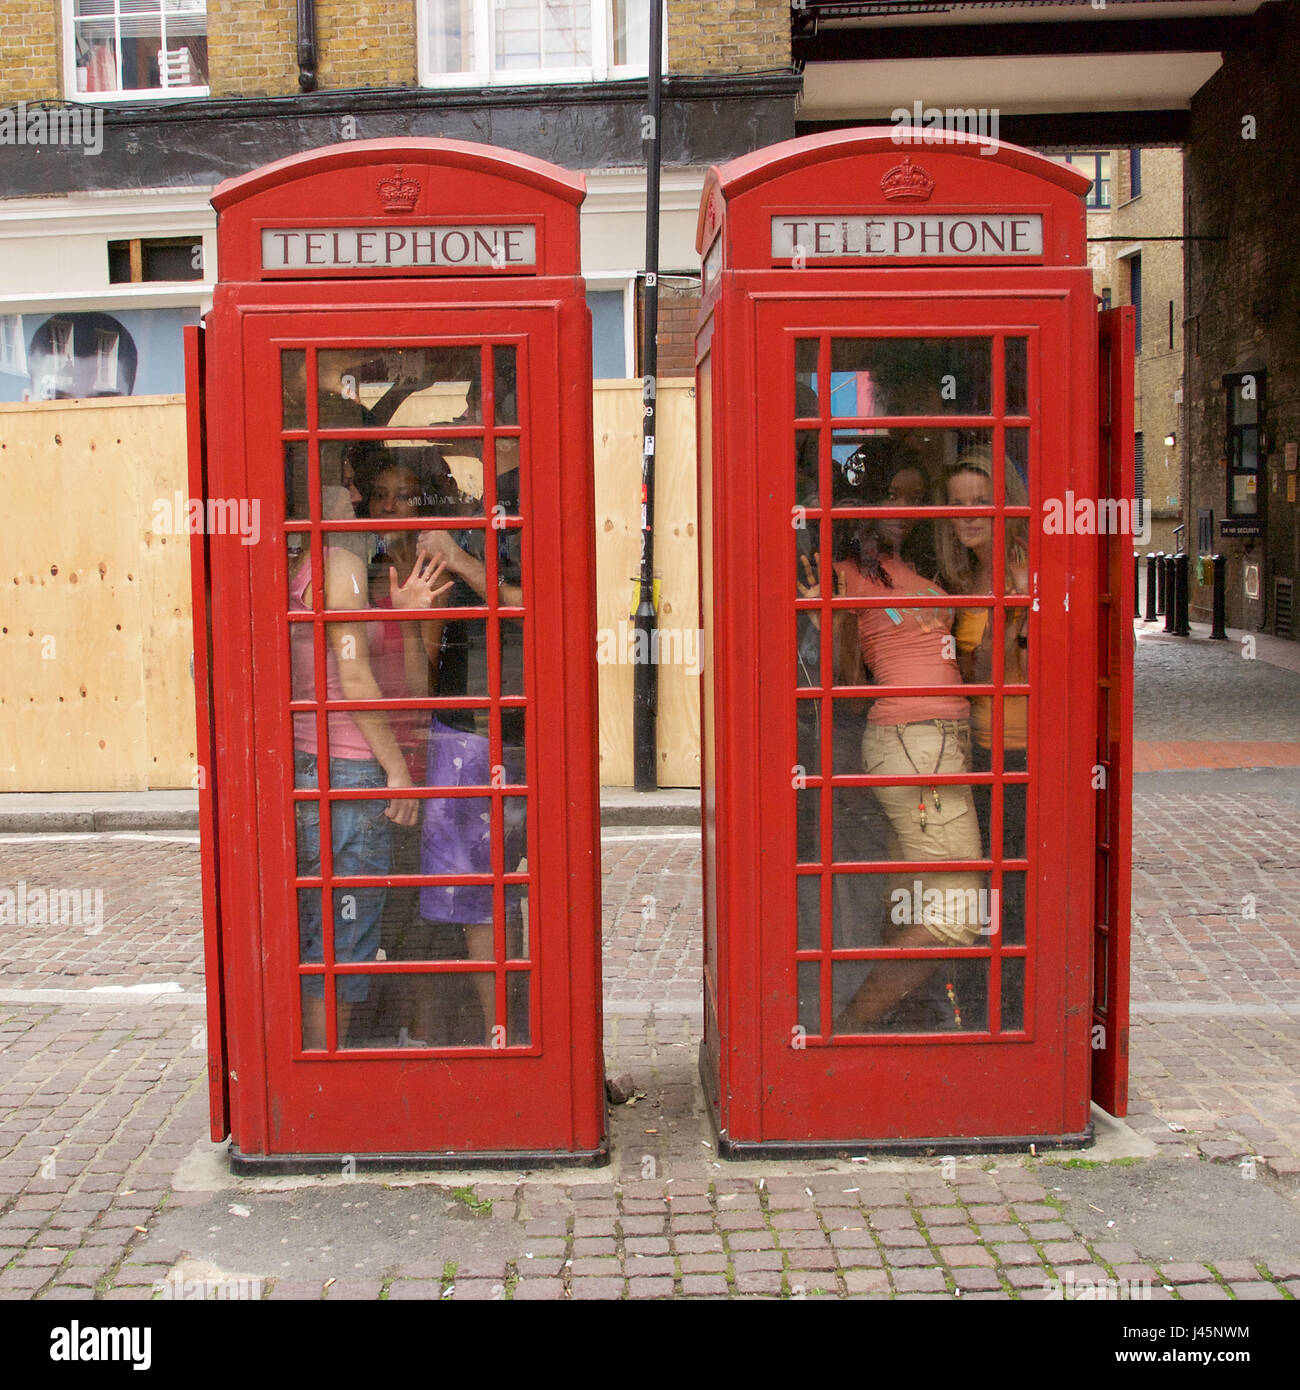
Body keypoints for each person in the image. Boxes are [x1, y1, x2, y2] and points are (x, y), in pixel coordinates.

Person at [804, 451, 985, 1033]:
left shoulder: (909, 568)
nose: (905, 509)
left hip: (939, 743)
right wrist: (820, 612)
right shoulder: (843, 573)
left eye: (916, 496)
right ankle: (852, 1024)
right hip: (914, 745)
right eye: (894, 497)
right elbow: (840, 674)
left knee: (913, 896)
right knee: (957, 914)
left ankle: (901, 1017)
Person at [290, 454, 450, 1050]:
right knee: (346, 936)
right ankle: (330, 1072)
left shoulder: (322, 563)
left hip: (323, 763)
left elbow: (412, 685)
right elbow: (355, 683)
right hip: (354, 769)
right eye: (354, 487)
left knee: (328, 929)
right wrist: (398, 775)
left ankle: (327, 1062)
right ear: (324, 494)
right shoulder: (342, 562)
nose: (361, 498)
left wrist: (407, 619)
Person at [414, 370, 527, 1046]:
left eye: (479, 413)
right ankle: (499, 1026)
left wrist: (458, 558)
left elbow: (535, 604)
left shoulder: (524, 504)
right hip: (461, 729)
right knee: (471, 894)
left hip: (507, 729)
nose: (468, 425)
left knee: (502, 888)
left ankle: (517, 1024)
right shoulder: (483, 506)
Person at [938, 448, 1031, 943]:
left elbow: (1023, 668)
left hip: (1020, 753)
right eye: (958, 503)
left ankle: (1011, 997)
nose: (970, 514)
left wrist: (1013, 612)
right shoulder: (965, 579)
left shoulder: (1026, 573)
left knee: (1010, 887)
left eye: (982, 501)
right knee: (981, 882)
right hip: (975, 750)